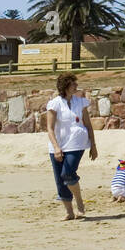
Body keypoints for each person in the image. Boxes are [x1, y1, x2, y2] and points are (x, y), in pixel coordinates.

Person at [46, 73, 97, 220]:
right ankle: (69, 212)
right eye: (73, 84)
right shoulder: (54, 104)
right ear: (65, 86)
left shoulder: (81, 102)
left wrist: (93, 145)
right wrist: (56, 147)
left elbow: (88, 125)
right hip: (58, 144)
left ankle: (80, 203)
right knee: (60, 180)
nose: (76, 86)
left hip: (77, 143)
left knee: (67, 173)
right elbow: (50, 128)